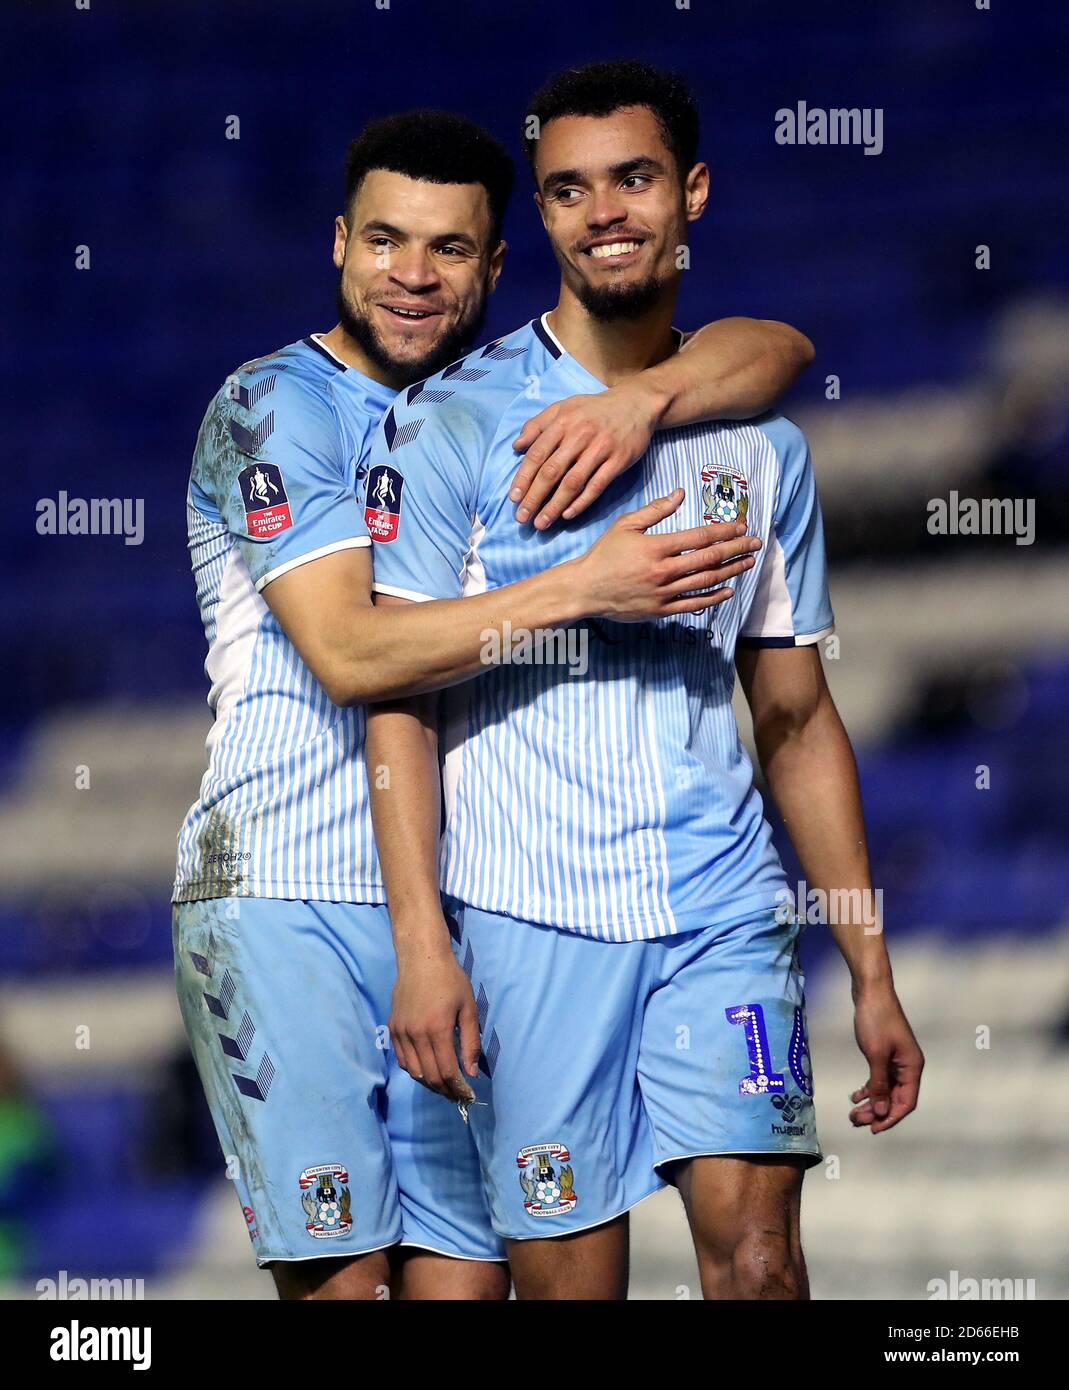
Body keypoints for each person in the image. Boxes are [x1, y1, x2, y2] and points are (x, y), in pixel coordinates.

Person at [172, 106, 814, 1301]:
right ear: (336, 246)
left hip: (460, 904)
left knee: (466, 1289)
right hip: (285, 891)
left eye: (449, 249)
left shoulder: (497, 409)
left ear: (497, 265)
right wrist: (582, 587)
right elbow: (359, 657)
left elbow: (774, 344)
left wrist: (645, 399)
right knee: (348, 1284)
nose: (412, 277)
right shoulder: (274, 407)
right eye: (385, 242)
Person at [365, 64, 924, 1300]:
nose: (604, 209)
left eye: (634, 178)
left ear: (693, 193)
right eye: (568, 189)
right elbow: (391, 692)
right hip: (526, 920)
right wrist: (423, 942)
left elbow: (792, 714)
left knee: (765, 1263)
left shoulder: (762, 447)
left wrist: (870, 970)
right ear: (543, 221)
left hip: (721, 909)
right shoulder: (450, 425)